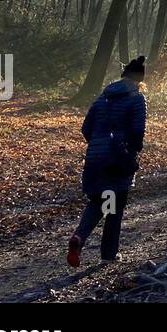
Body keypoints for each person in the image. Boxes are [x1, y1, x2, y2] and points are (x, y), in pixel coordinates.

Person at [67, 56, 148, 266]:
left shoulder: (102, 98)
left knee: (99, 201)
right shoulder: (136, 98)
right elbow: (138, 132)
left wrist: (97, 145)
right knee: (113, 206)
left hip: (95, 159)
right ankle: (108, 255)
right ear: (139, 79)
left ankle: (79, 237)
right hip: (117, 161)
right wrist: (132, 152)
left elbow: (86, 128)